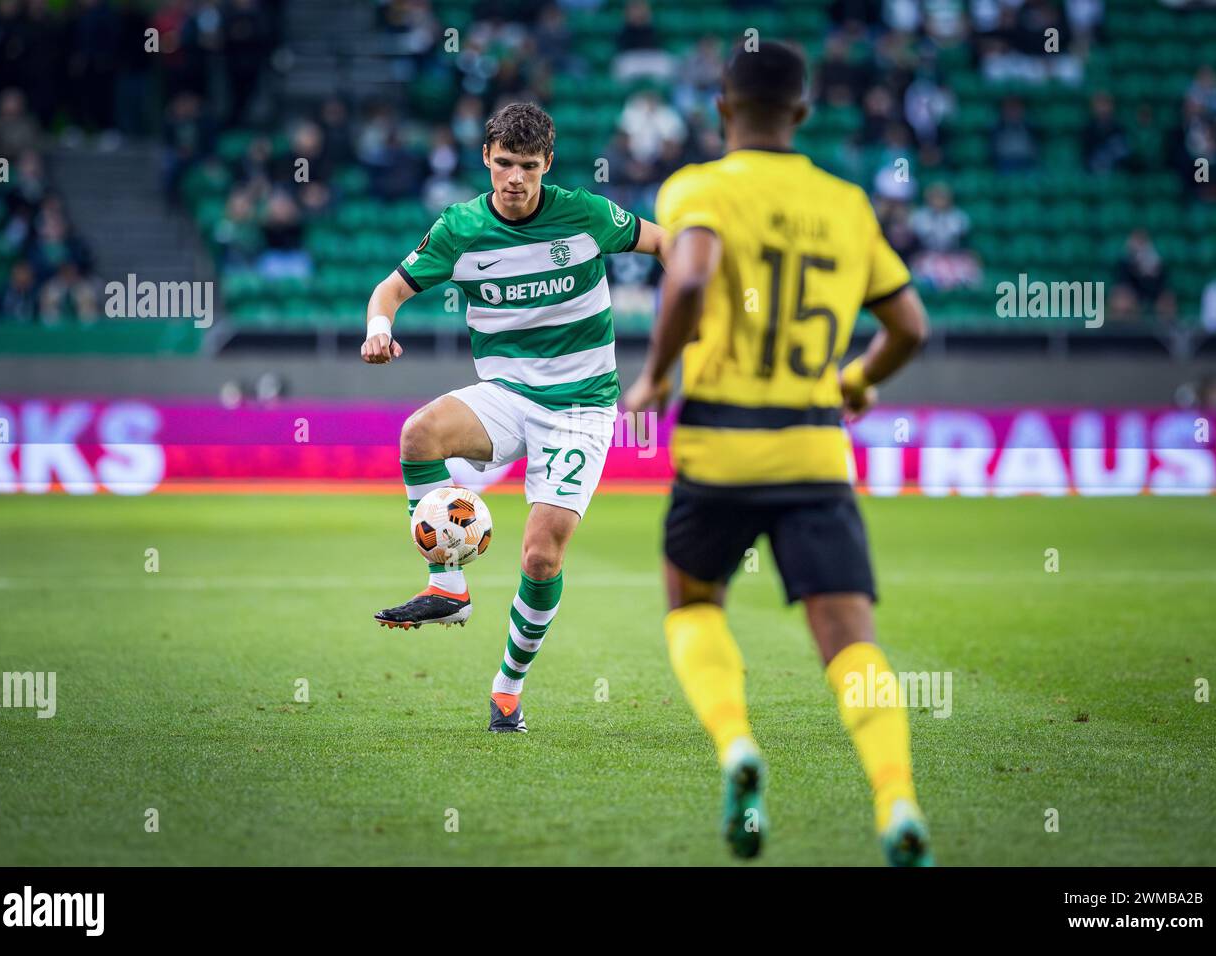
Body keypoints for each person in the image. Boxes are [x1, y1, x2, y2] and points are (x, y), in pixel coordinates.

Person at [623, 42, 933, 865]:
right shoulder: (847, 203)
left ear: (722, 108)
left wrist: (654, 377)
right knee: (851, 643)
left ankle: (736, 745)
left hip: (721, 446)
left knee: (692, 603)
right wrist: (859, 381)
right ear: (802, 113)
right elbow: (909, 327)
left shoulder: (698, 187)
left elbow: (688, 280)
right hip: (812, 449)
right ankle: (896, 800)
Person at [361, 103, 665, 733]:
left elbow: (663, 242)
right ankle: (446, 587)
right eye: (504, 164)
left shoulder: (585, 214)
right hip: (507, 393)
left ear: (547, 165)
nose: (516, 178)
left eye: (529, 166)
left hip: (581, 405)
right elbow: (389, 290)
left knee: (540, 556)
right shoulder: (460, 227)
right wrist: (379, 329)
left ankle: (506, 689)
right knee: (418, 433)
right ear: (486, 160)